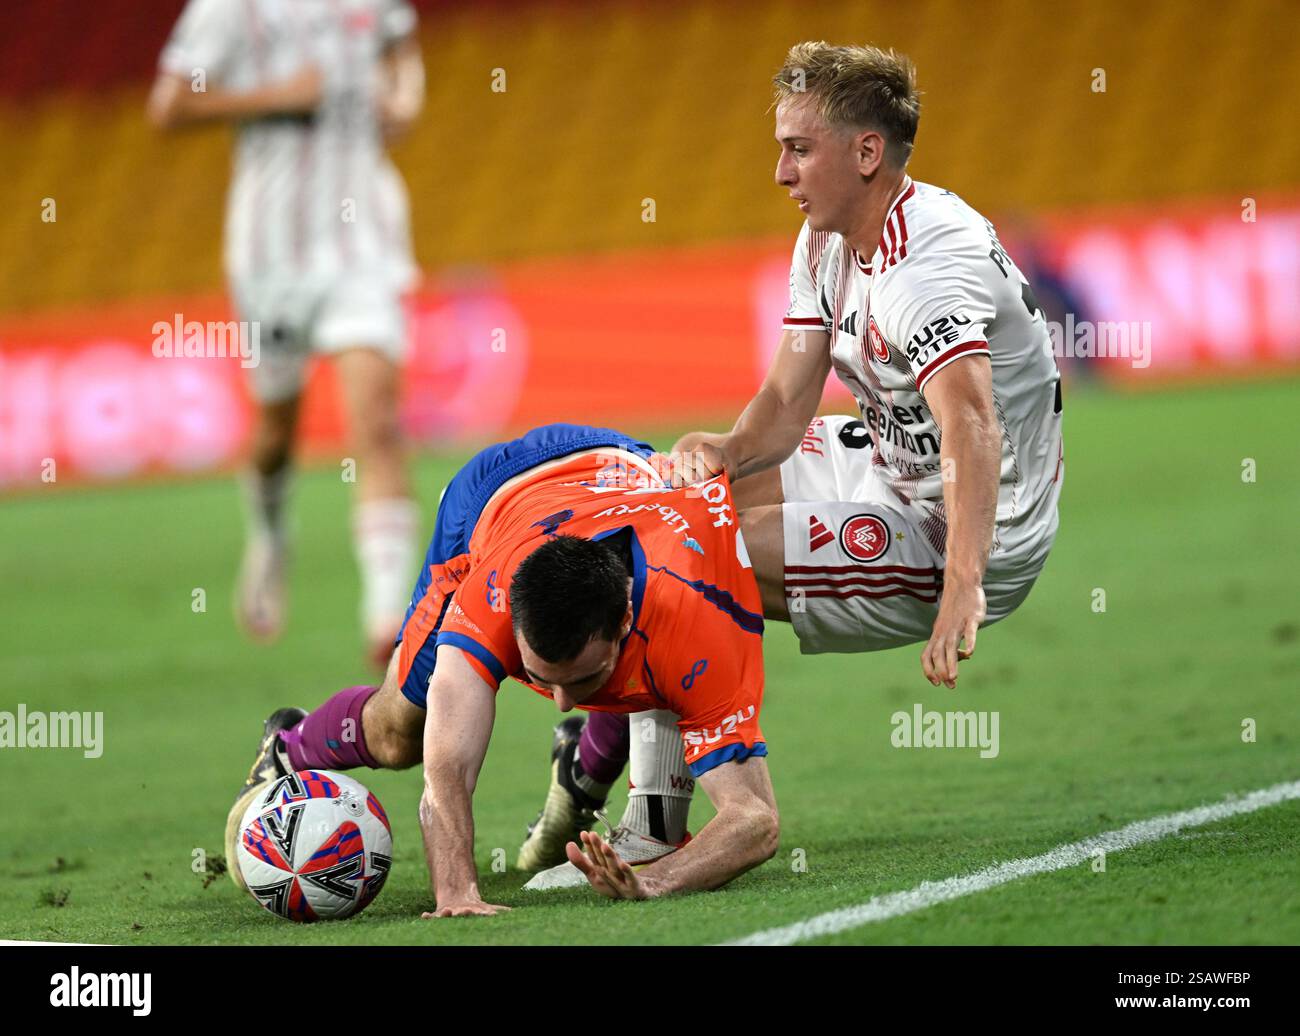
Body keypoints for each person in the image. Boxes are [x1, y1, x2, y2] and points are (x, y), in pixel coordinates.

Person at [518, 41, 1064, 881]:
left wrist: (965, 580)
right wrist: (728, 453)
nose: (780, 171)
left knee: (699, 563)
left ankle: (655, 822)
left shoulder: (927, 268)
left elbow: (974, 426)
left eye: (798, 148)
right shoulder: (830, 241)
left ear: (867, 153)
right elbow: (784, 402)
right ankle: (602, 757)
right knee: (672, 508)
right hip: (886, 459)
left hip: (969, 522)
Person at [225, 424, 778, 913]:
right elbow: (447, 770)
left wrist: (655, 882)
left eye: (577, 683)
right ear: (511, 626)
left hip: (612, 468)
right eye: (540, 677)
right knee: (399, 736)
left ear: (626, 613)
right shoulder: (485, 603)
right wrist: (457, 890)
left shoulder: (706, 614)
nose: (563, 704)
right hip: (490, 498)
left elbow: (755, 821)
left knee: (656, 673)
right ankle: (290, 746)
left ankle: (578, 768)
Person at [148, 0, 425, 666]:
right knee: (276, 431)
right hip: (271, 256)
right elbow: (169, 106)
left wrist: (404, 98)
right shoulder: (228, 10)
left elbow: (401, 48)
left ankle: (388, 615)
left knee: (378, 422)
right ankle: (270, 537)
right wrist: (277, 97)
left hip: (364, 246)